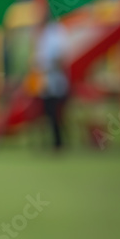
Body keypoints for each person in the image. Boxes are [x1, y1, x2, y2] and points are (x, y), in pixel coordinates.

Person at [34, 13, 70, 151]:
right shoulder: (46, 34)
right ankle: (54, 142)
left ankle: (58, 143)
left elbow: (60, 57)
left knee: (54, 113)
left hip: (55, 80)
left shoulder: (56, 33)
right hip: (47, 81)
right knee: (49, 113)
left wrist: (47, 67)